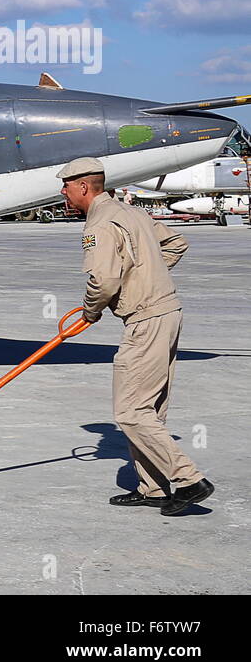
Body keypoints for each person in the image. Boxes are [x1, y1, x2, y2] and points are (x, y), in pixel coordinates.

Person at [58, 157, 213, 517]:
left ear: (84, 187)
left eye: (66, 186)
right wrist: (147, 273)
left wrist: (91, 310)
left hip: (146, 320)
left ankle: (189, 480)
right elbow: (176, 243)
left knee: (130, 411)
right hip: (167, 312)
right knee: (150, 411)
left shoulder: (99, 224)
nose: (63, 193)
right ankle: (154, 488)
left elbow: (104, 281)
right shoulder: (133, 212)